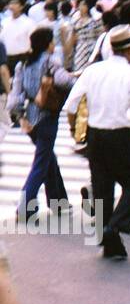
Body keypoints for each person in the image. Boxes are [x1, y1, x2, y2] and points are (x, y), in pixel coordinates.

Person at [63, 26, 130, 260]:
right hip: (122, 135)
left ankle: (108, 242)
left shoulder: (93, 71)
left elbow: (72, 105)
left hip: (96, 135)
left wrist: (75, 130)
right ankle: (115, 226)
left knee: (102, 187)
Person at [10, 27, 76, 221]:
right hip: (47, 115)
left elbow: (15, 97)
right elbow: (67, 82)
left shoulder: (22, 65)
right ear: (48, 44)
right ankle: (25, 207)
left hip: (29, 116)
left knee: (47, 157)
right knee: (41, 161)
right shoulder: (50, 62)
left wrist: (20, 117)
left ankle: (58, 201)